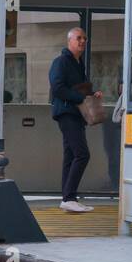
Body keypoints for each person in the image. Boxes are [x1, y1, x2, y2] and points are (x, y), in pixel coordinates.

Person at [50, 27, 102, 214]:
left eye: (84, 38)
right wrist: (80, 98)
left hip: (75, 113)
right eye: (78, 38)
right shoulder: (61, 62)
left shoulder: (78, 63)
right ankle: (69, 197)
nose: (82, 41)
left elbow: (78, 88)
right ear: (69, 41)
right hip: (67, 112)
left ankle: (68, 198)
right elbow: (57, 88)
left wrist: (91, 94)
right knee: (82, 154)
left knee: (71, 155)